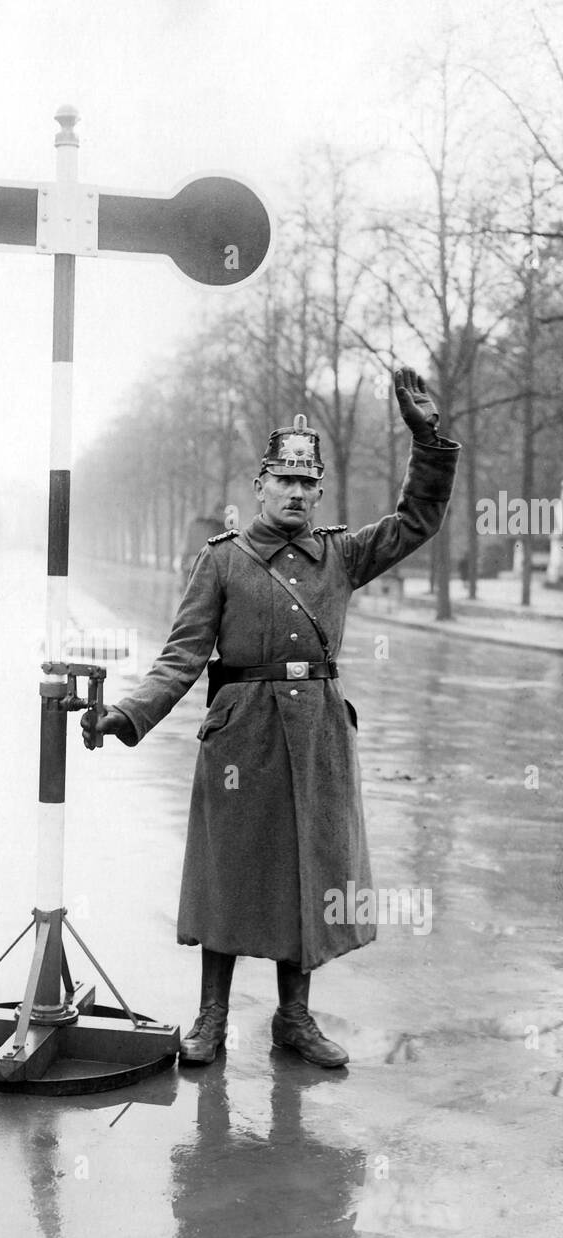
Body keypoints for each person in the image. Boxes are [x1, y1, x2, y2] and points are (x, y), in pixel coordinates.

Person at [81, 367, 460, 1068]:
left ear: (319, 491)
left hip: (317, 732)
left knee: (308, 874)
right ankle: (211, 1020)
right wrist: (128, 714)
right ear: (258, 486)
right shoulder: (221, 562)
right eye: (281, 480)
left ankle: (294, 1019)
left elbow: (418, 520)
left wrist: (427, 440)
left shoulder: (342, 555)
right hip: (240, 735)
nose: (294, 491)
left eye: (305, 482)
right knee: (230, 873)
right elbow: (181, 656)